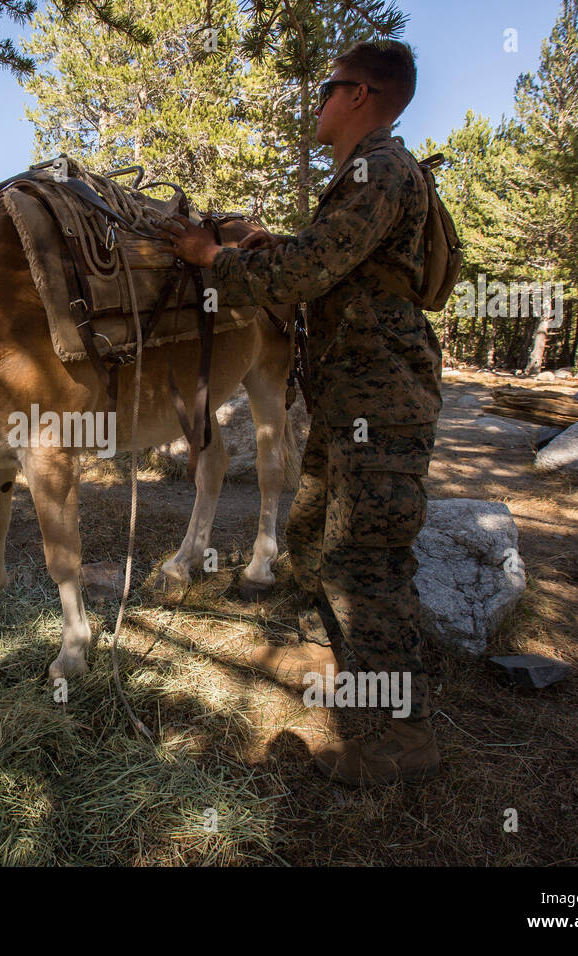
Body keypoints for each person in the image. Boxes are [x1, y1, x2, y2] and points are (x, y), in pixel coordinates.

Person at [161, 39, 443, 785]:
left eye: (329, 87)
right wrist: (277, 243)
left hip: (382, 403)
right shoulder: (361, 177)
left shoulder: (382, 169)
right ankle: (345, 679)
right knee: (317, 535)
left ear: (361, 95)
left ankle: (399, 739)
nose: (317, 101)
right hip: (350, 400)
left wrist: (212, 257)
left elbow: (305, 272)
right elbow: (336, 260)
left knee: (369, 564)